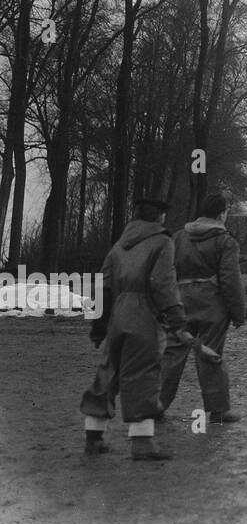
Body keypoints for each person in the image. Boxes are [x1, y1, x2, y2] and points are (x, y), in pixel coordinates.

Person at [80, 196, 187, 462]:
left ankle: (93, 437)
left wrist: (99, 326)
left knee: (108, 372)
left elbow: (102, 286)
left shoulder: (118, 247)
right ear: (159, 217)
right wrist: (176, 316)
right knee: (142, 375)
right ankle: (142, 443)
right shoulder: (163, 242)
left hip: (117, 313)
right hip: (144, 315)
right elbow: (162, 283)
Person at [159, 192, 245, 423]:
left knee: (172, 353)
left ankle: (156, 405)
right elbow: (230, 280)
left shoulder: (178, 237)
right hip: (212, 306)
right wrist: (238, 313)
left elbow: (166, 272)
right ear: (221, 213)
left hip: (180, 302)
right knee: (210, 354)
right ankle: (218, 410)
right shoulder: (226, 242)